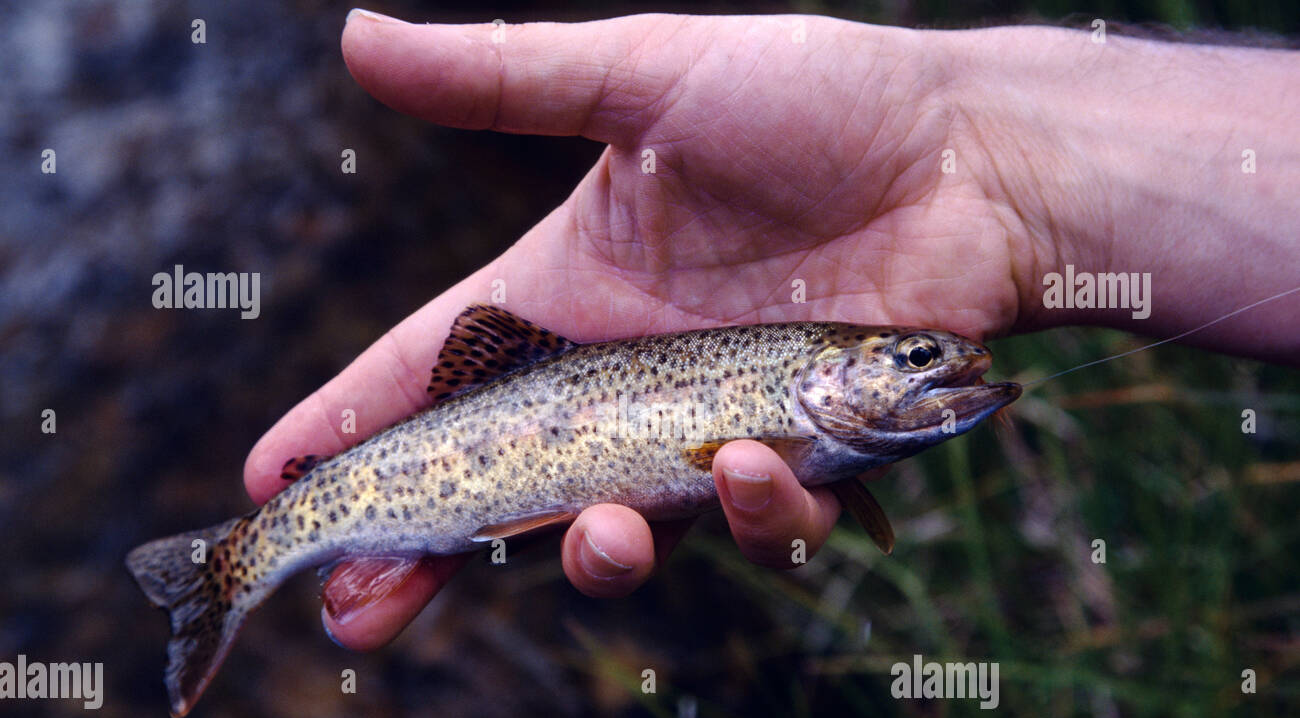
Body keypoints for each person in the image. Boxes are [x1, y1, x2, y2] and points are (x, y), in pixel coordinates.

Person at [242, 10, 1300, 651]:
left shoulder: (818, 425)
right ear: (829, 379)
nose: (949, 368)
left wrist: (983, 143)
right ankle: (248, 560)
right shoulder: (804, 424)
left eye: (924, 358)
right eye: (918, 359)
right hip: (469, 445)